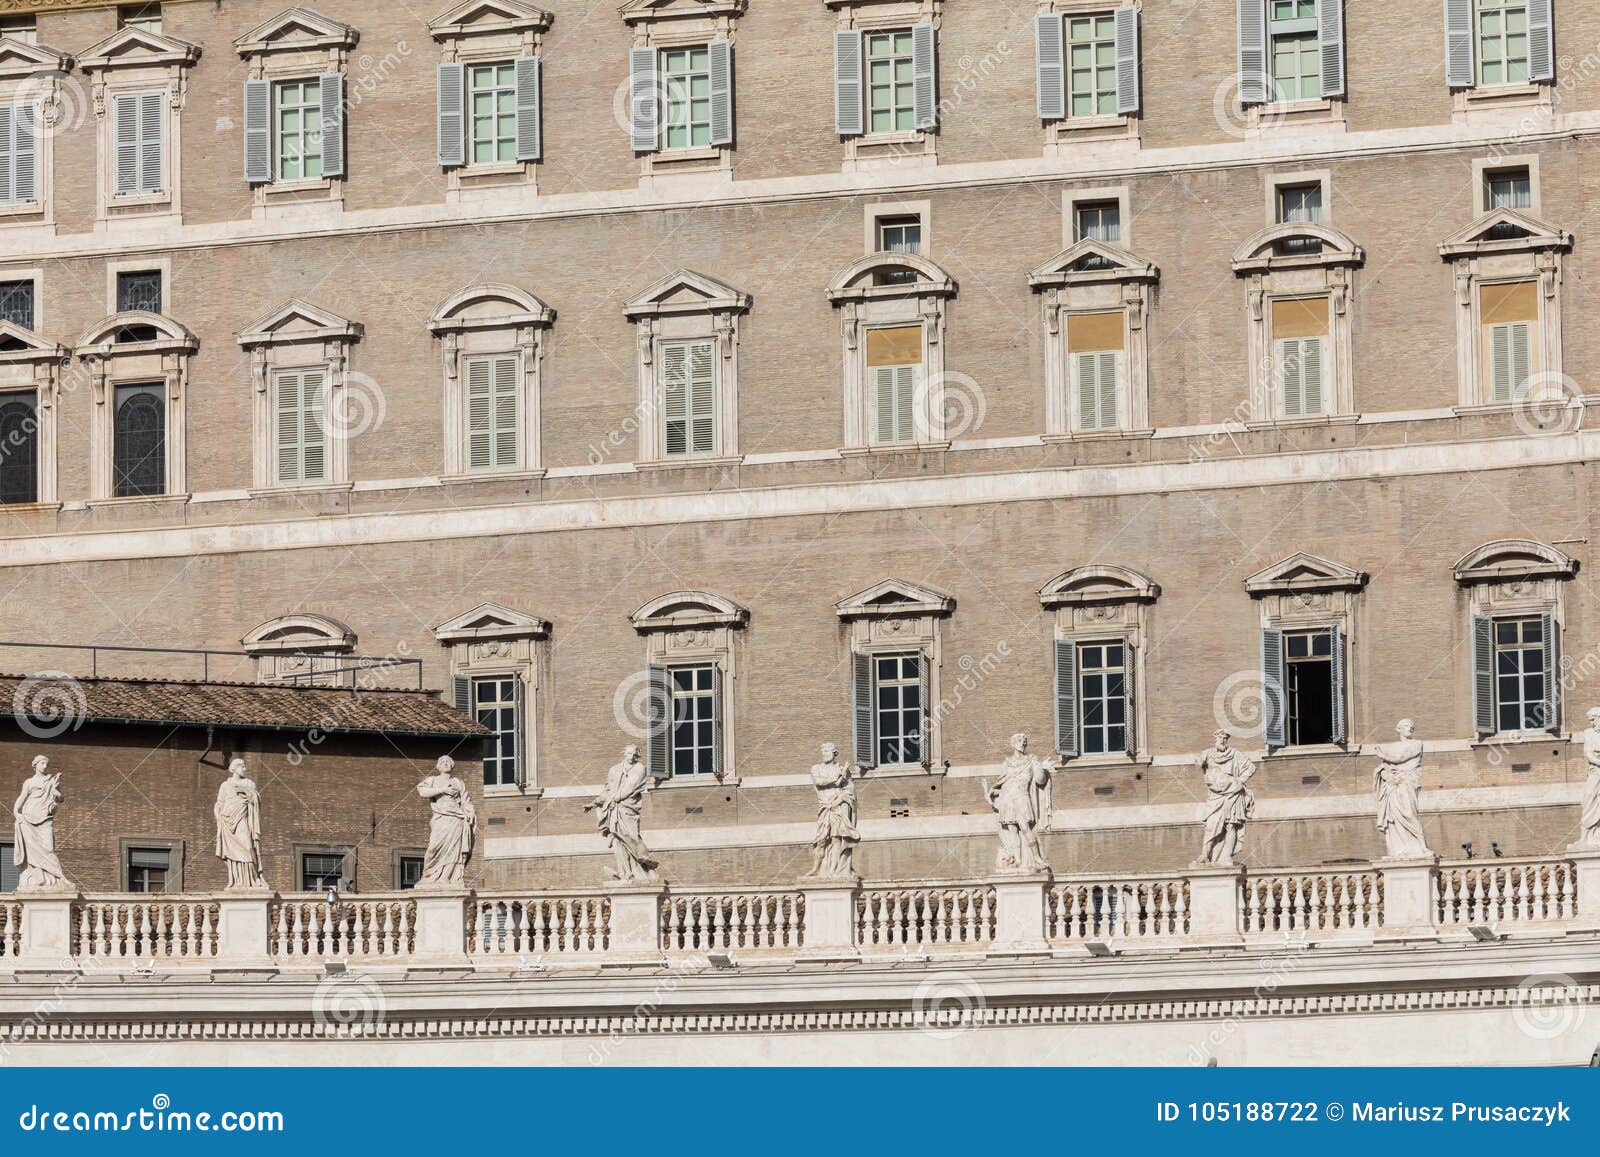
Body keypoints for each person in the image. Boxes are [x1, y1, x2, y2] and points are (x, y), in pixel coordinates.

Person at [587, 745, 659, 882]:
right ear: (624, 754)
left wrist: (615, 798)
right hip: (614, 809)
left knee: (632, 836)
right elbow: (608, 789)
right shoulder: (614, 770)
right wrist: (595, 802)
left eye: (634, 754)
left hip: (628, 808)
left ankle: (646, 863)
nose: (631, 756)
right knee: (617, 840)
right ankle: (626, 873)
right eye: (629, 754)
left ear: (637, 755)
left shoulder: (639, 768)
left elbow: (630, 786)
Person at [986, 732, 1056, 874]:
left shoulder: (1031, 759)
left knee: (1025, 828)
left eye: (1024, 740)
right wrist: (992, 792)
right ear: (1012, 744)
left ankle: (1037, 858)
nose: (1022, 742)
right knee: (1012, 831)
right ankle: (1017, 860)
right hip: (1008, 798)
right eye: (1019, 740)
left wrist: (1042, 768)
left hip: (1022, 797)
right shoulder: (1007, 762)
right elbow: (1003, 783)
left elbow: (1040, 780)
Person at [1373, 718, 1431, 859]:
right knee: (1393, 818)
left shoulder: (1417, 744)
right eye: (1406, 726)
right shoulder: (1392, 747)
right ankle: (1400, 849)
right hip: (1393, 786)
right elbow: (1383, 768)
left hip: (1407, 783)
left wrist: (1382, 755)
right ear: (1398, 729)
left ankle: (1422, 846)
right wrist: (1386, 773)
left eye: (1412, 726)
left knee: (1409, 814)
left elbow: (1401, 757)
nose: (1410, 728)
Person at [1196, 729, 1255, 866]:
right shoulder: (1208, 754)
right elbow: (1198, 763)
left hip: (1232, 793)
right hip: (1215, 795)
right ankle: (1205, 855)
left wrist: (1240, 781)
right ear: (1215, 739)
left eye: (1224, 739)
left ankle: (1226, 856)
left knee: (1230, 825)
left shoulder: (1234, 754)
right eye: (1219, 738)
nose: (1222, 741)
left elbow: (1251, 767)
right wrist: (1200, 761)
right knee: (1211, 825)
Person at [12, 754, 71, 892]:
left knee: (49, 848)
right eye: (42, 763)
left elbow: (60, 798)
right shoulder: (29, 782)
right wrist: (16, 812)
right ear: (35, 765)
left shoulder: (51, 780)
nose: (45, 766)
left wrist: (56, 789)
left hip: (45, 817)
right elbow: (22, 797)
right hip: (29, 816)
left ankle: (58, 877)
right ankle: (39, 877)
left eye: (46, 764)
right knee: (32, 849)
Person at [417, 755, 477, 889]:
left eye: (448, 762)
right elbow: (422, 791)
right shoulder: (432, 780)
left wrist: (469, 812)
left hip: (456, 819)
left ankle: (447, 877)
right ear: (438, 766)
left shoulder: (458, 782)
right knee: (434, 847)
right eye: (442, 762)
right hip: (440, 818)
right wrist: (443, 790)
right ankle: (429, 876)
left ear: (452, 765)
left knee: (454, 849)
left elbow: (466, 801)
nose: (445, 763)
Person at [804, 743, 860, 879]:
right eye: (822, 751)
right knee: (821, 839)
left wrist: (838, 801)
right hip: (824, 806)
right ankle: (816, 868)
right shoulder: (816, 768)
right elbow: (819, 782)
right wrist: (836, 778)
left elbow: (850, 791)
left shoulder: (843, 770)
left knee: (836, 839)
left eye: (827, 751)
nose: (823, 753)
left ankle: (834, 870)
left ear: (834, 753)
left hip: (838, 807)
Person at [214, 757, 266, 889]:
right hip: (227, 820)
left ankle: (251, 880)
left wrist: (245, 791)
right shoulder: (225, 785)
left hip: (242, 818)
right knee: (231, 853)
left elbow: (256, 800)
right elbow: (219, 803)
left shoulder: (249, 783)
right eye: (242, 766)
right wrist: (218, 816)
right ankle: (236, 881)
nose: (245, 769)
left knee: (248, 847)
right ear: (235, 768)